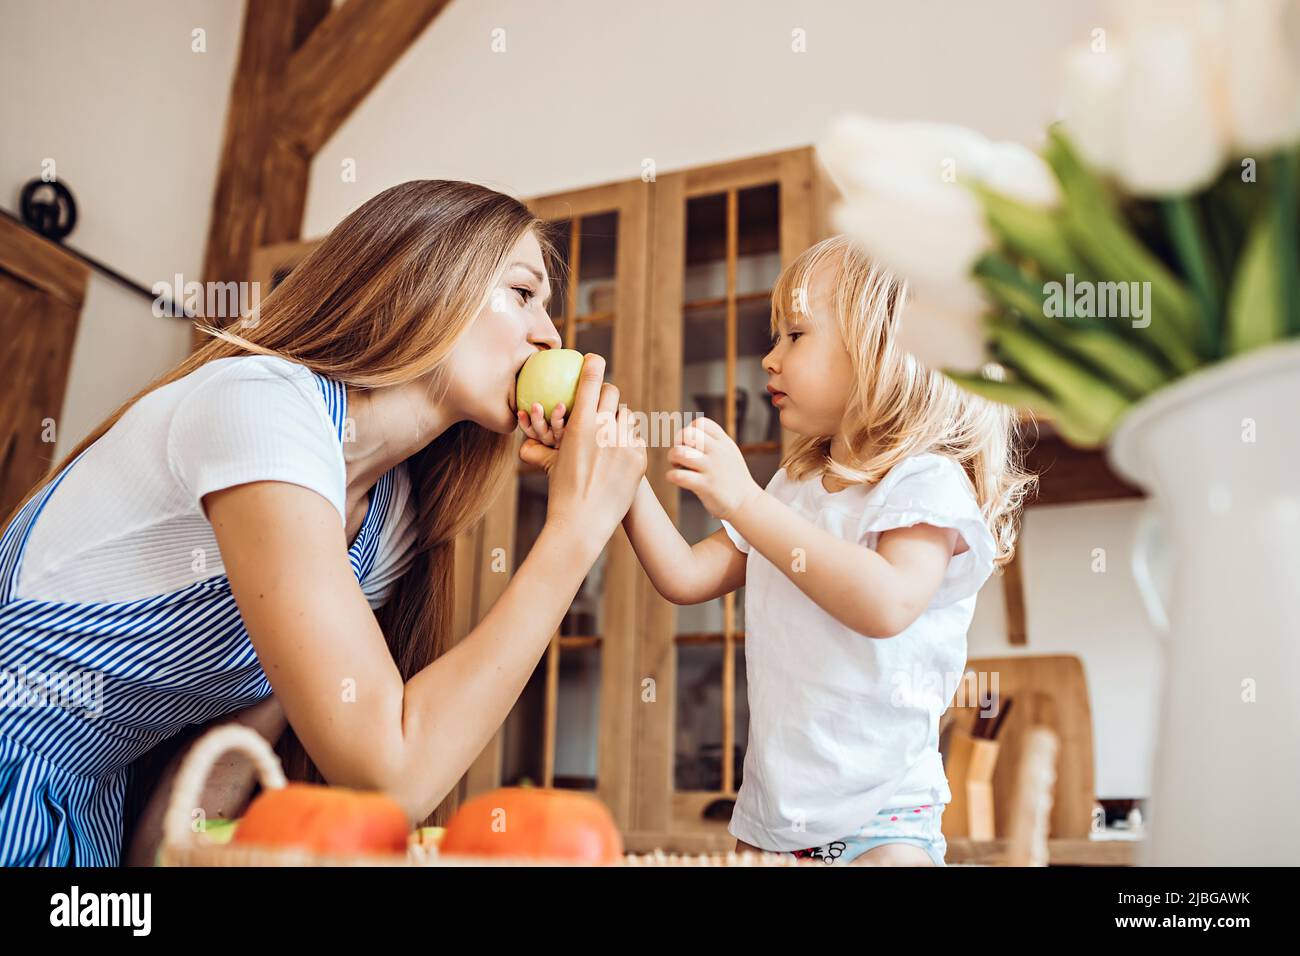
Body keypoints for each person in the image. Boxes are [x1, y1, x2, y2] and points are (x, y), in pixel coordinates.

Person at [0, 180, 645, 866]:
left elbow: (223, 757)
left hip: (83, 813)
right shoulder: (260, 407)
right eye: (522, 294)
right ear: (422, 277)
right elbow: (390, 772)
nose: (550, 333)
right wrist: (574, 532)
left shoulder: (389, 522)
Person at [521, 234, 1034, 865]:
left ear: (885, 349)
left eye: (795, 335)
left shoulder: (924, 482)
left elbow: (887, 602)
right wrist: (617, 471)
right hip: (770, 823)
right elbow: (683, 576)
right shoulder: (792, 485)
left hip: (886, 821)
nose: (769, 358)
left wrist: (744, 502)